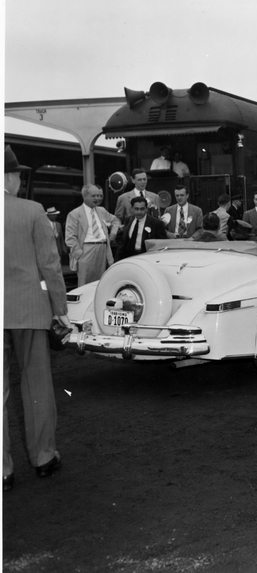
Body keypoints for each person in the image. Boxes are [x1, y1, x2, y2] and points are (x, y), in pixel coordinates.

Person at [4, 145, 70, 491]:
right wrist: (61, 310)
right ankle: (43, 457)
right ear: (10, 177)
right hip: (29, 310)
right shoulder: (32, 211)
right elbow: (50, 266)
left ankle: (3, 470)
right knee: (36, 385)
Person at [65, 184, 120, 286]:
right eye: (94, 196)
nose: (98, 198)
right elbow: (70, 238)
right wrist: (79, 254)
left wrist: (113, 234)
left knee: (100, 282)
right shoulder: (75, 214)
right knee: (85, 283)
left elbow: (115, 220)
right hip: (86, 250)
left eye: (100, 196)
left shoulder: (101, 210)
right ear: (84, 196)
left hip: (103, 249)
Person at [115, 195, 168, 261]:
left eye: (142, 209)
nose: (139, 212)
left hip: (148, 258)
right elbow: (123, 242)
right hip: (129, 258)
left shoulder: (156, 223)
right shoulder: (128, 220)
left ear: (146, 209)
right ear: (131, 209)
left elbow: (162, 245)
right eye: (136, 209)